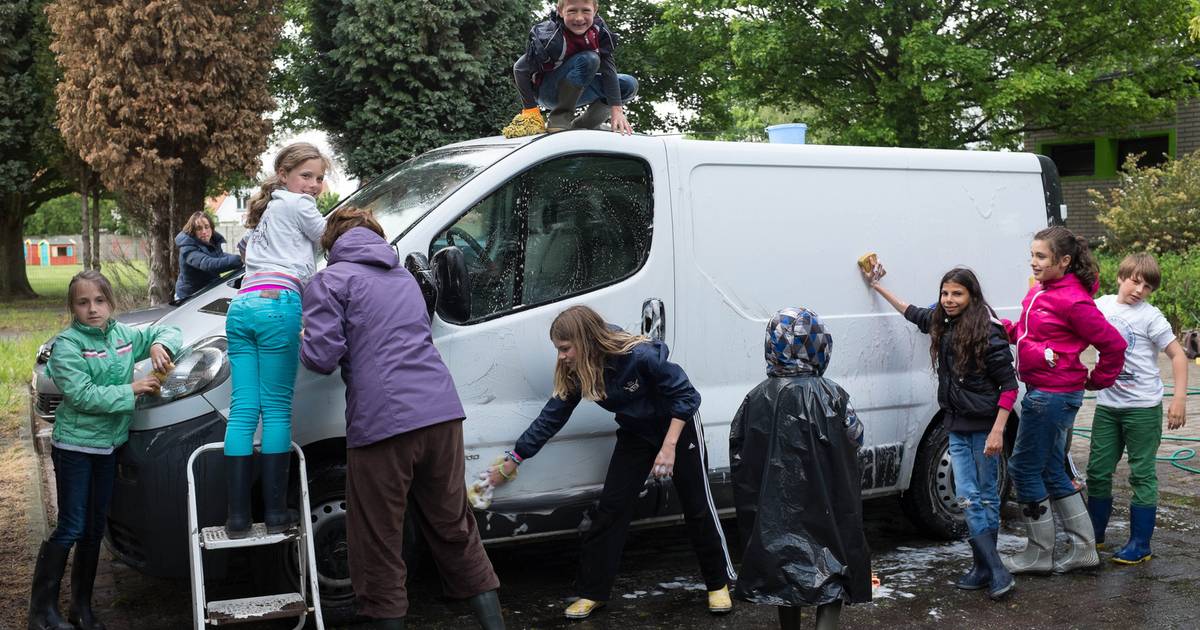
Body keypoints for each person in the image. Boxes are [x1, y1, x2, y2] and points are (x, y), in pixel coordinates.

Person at [299, 208, 504, 630]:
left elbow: (322, 357)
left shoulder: (330, 281)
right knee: (454, 527)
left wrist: (297, 335)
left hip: (383, 422)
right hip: (442, 413)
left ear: (332, 244)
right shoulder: (404, 278)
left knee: (378, 541)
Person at [488, 305, 735, 619]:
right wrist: (515, 458)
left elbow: (687, 397)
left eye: (565, 348)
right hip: (636, 432)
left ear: (585, 340)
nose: (561, 356)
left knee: (696, 505)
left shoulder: (640, 356)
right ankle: (592, 592)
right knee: (611, 508)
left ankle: (718, 582)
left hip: (677, 425)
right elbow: (551, 418)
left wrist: (668, 447)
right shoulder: (578, 370)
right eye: (558, 349)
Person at [30, 271, 180, 630]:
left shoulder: (121, 335)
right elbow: (83, 395)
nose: (92, 309)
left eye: (99, 301)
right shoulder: (68, 346)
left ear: (110, 303)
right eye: (83, 303)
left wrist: (160, 345)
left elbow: (168, 329)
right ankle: (42, 612)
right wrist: (132, 389)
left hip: (108, 447)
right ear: (73, 307)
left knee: (94, 527)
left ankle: (81, 609)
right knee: (71, 525)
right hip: (75, 447)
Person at [864, 266, 1016, 600]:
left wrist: (997, 432)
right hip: (955, 427)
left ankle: (988, 568)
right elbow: (911, 312)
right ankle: (992, 569)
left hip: (984, 428)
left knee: (986, 497)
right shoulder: (942, 322)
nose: (949, 299)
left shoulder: (989, 333)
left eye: (957, 294)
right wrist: (877, 286)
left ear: (972, 296)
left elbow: (1009, 386)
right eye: (945, 293)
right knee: (968, 496)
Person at [730, 307, 870, 630]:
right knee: (834, 570)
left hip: (776, 506)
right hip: (828, 503)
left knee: (784, 574)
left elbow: (740, 449)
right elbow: (855, 436)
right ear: (820, 345)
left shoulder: (757, 397)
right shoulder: (832, 395)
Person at [1002, 225, 1127, 575]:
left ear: (1064, 261)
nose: (1034, 262)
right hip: (1045, 391)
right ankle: (1084, 549)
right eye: (1032, 255)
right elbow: (1032, 333)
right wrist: (1004, 329)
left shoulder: (1074, 300)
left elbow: (1114, 345)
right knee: (1052, 468)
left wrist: (1097, 380)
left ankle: (1039, 553)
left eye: (1041, 256)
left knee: (1023, 468)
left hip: (1052, 397)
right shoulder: (1041, 291)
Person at [223, 142, 328, 539]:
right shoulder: (300, 205)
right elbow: (331, 237)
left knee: (243, 410)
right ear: (283, 176)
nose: (314, 185)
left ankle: (237, 518)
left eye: (319, 178)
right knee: (277, 411)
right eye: (306, 176)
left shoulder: (266, 213)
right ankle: (276, 513)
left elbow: (248, 251)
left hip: (241, 307)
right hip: (277, 305)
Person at [1086, 253, 1190, 565]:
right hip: (1107, 406)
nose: (1139, 290)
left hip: (1142, 408)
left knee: (1142, 474)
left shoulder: (1151, 317)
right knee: (1097, 471)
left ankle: (1140, 544)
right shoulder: (1101, 306)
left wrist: (1179, 399)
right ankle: (1094, 536)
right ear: (1121, 277)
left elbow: (1178, 355)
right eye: (1135, 281)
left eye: (1147, 287)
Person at [505, 0, 638, 135]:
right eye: (572, 11)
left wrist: (617, 109)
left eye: (586, 11)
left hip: (578, 90)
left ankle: (585, 124)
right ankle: (559, 119)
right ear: (560, 11)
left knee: (628, 85)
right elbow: (519, 69)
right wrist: (531, 110)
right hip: (548, 92)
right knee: (590, 59)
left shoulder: (599, 32)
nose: (579, 18)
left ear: (595, 10)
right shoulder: (551, 36)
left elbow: (608, 71)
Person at [174, 211, 242, 302]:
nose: (204, 232)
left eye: (206, 227)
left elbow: (220, 256)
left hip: (206, 294)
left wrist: (243, 257)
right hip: (188, 299)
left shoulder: (211, 242)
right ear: (192, 231)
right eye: (199, 229)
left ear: (211, 228)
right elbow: (208, 264)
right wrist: (240, 259)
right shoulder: (188, 248)